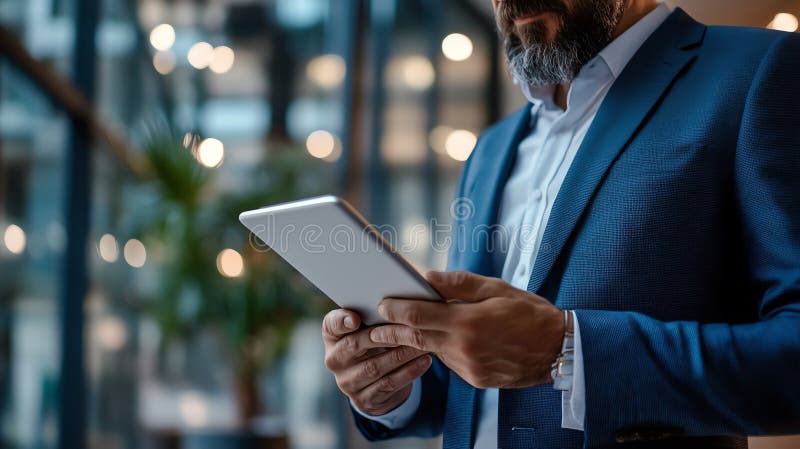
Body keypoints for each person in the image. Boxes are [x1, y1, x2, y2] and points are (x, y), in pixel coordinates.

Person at [322, 0, 800, 447]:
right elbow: (472, 382)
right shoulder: (491, 148)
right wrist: (390, 388)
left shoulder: (759, 71)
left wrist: (567, 351)